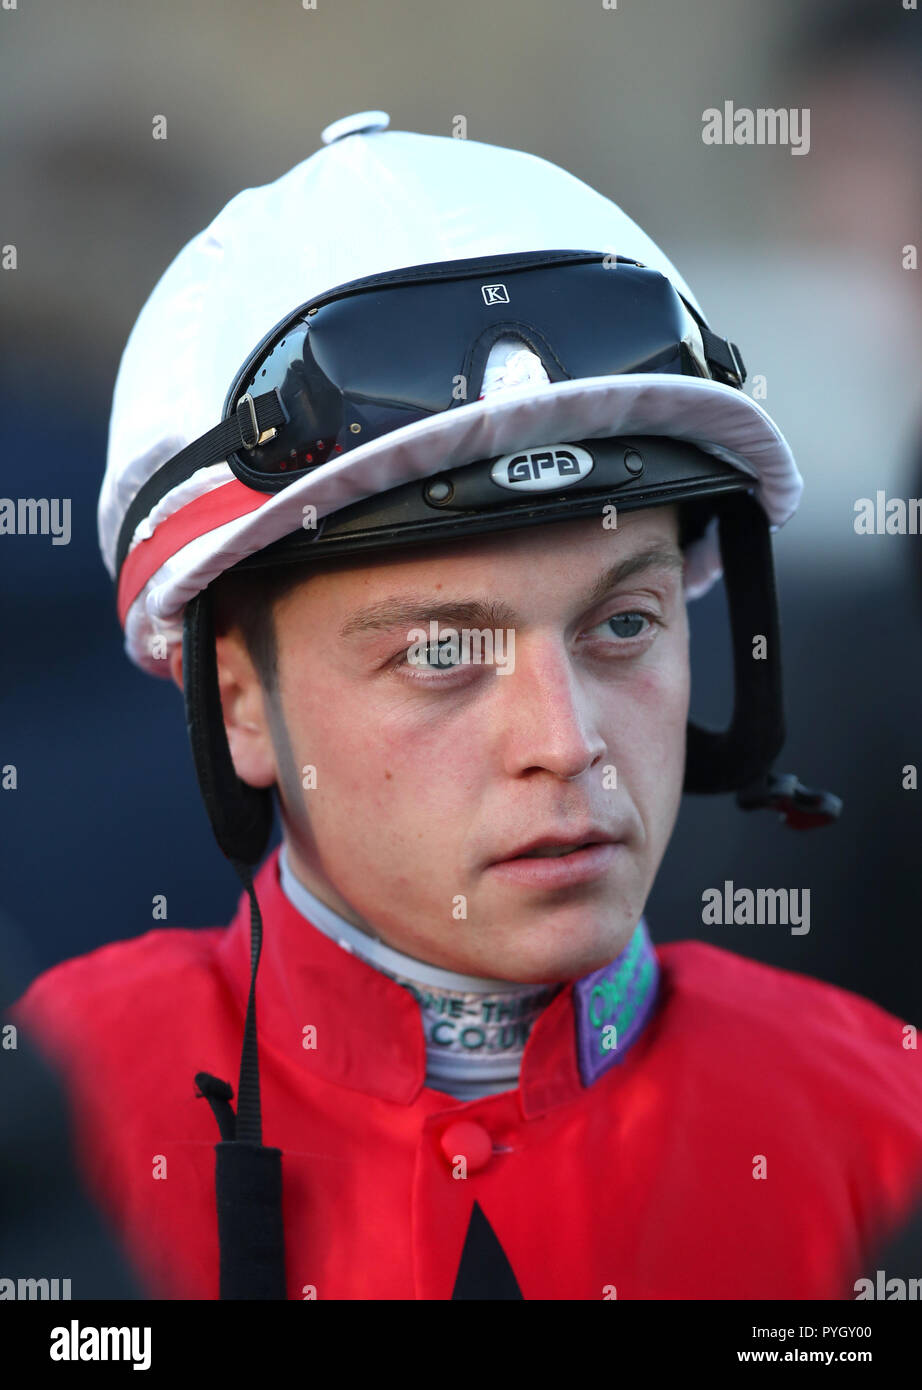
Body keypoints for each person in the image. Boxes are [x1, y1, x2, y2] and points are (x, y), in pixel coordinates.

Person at [10, 112, 922, 1301]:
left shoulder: (886, 1122)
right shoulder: (47, 1114)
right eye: (442, 651)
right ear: (236, 696)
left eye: (623, 626)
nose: (566, 744)